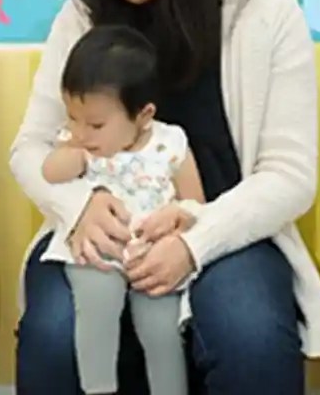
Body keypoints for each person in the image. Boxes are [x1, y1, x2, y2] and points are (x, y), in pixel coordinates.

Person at [11, 0, 320, 395]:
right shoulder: (84, 13)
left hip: (229, 230)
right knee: (53, 334)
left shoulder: (263, 8)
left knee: (251, 337)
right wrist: (80, 205)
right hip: (106, 229)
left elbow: (289, 175)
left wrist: (194, 240)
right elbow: (30, 148)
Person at [41, 24, 205, 395]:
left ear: (144, 115)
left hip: (155, 256)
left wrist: (178, 217)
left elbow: (196, 205)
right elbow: (49, 172)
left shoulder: (170, 143)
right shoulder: (81, 144)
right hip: (99, 250)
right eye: (72, 117)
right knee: (97, 305)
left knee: (161, 330)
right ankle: (98, 388)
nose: (82, 131)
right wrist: (75, 153)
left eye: (96, 123)